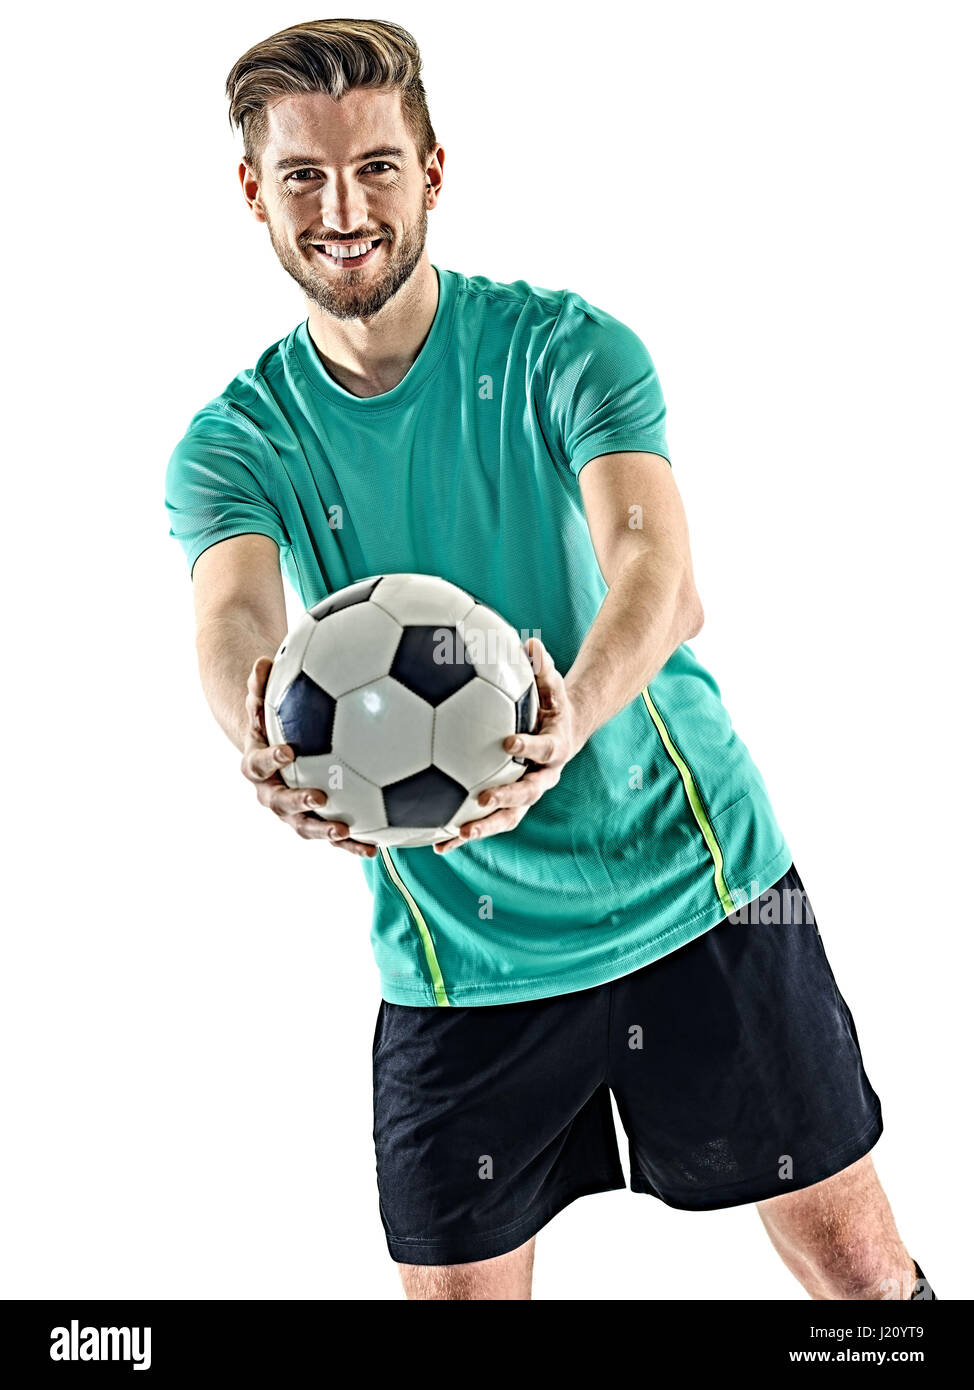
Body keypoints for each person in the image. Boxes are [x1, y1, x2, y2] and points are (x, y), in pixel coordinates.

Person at [165, 18, 935, 1301]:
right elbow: (230, 614)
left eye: (374, 167)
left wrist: (564, 715)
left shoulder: (563, 349)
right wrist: (255, 725)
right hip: (461, 955)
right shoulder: (237, 440)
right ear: (253, 189)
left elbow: (658, 573)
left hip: (698, 890)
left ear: (433, 171)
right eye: (302, 174)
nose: (341, 207)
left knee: (861, 1280)